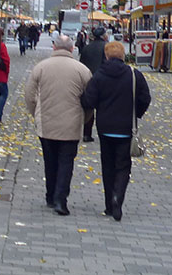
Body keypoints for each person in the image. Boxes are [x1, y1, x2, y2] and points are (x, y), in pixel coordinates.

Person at [81, 41, 150, 222]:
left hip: (105, 128)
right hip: (126, 128)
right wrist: (137, 113)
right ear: (123, 56)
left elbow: (89, 99)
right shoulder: (134, 75)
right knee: (123, 166)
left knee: (108, 166)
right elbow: (145, 98)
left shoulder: (99, 75)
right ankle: (117, 198)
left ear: (106, 56)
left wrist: (98, 109)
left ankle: (109, 205)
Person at [24, 34, 92, 216]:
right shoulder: (82, 70)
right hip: (71, 124)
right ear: (72, 49)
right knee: (66, 162)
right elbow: (90, 100)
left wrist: (36, 114)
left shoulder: (40, 68)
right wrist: (83, 119)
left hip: (46, 123)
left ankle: (50, 195)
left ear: (54, 47)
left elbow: (30, 96)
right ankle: (61, 199)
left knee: (50, 160)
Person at [78, 26, 108, 142]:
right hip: (102, 80)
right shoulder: (106, 47)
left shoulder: (87, 47)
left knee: (89, 108)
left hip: (88, 80)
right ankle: (103, 133)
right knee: (102, 108)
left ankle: (86, 133)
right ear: (103, 36)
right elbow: (106, 63)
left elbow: (81, 63)